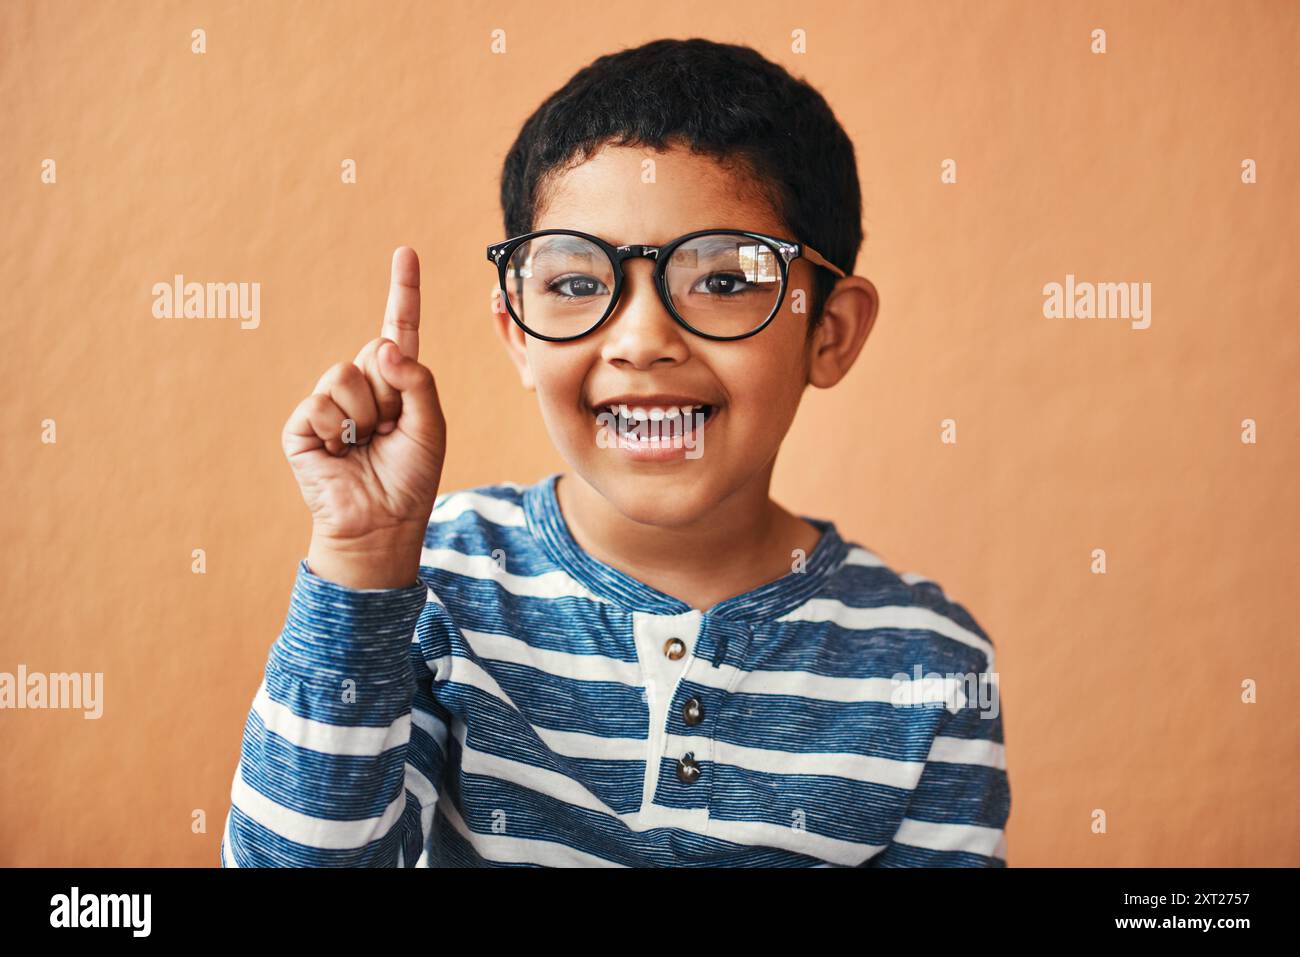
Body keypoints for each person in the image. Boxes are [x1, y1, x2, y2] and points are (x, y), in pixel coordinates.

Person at [221, 37, 1009, 867]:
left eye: (725, 278)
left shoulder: (930, 666)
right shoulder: (432, 587)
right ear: (517, 331)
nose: (641, 339)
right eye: (575, 283)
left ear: (831, 331)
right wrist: (362, 560)